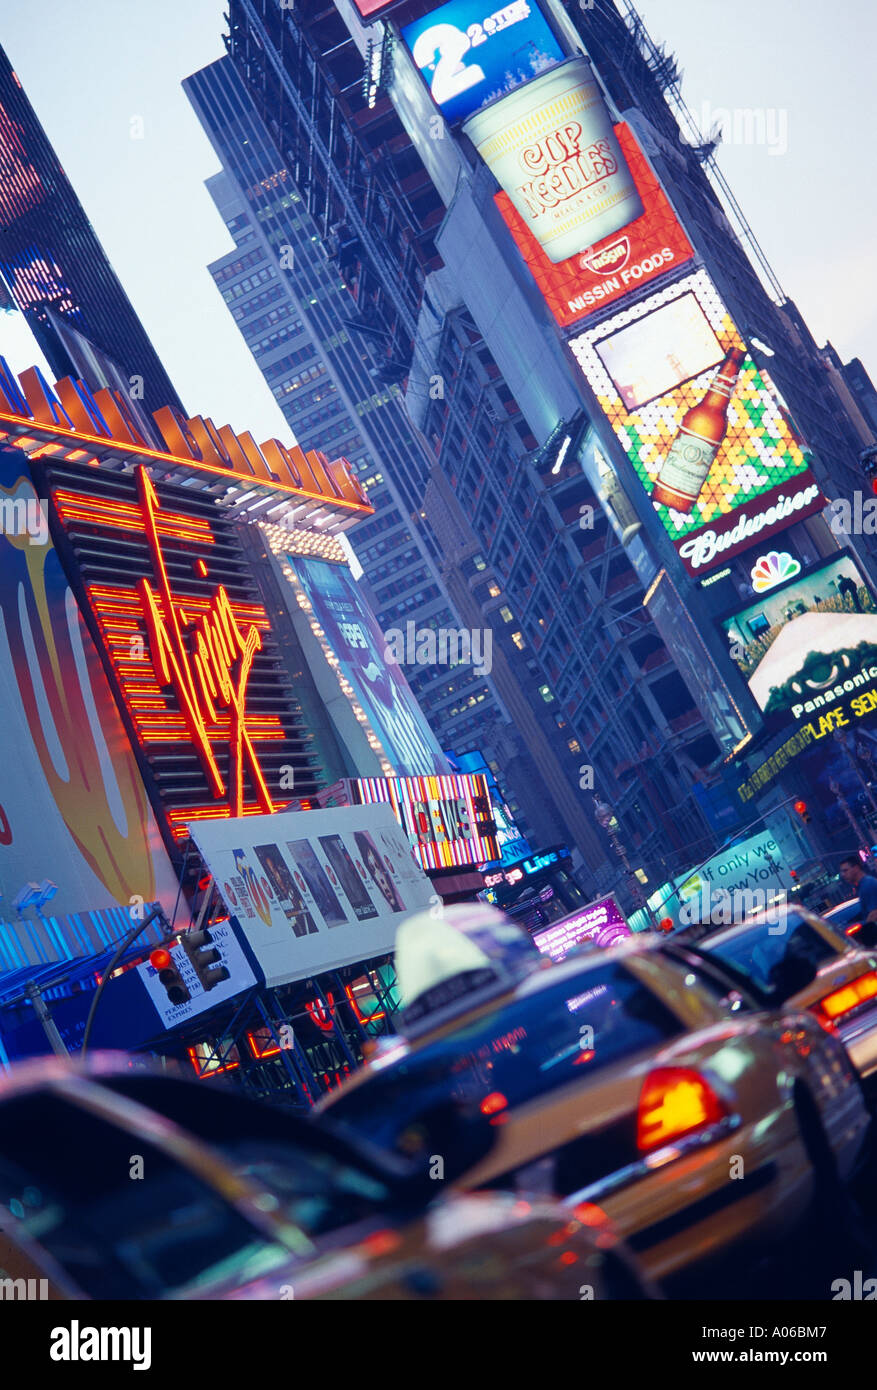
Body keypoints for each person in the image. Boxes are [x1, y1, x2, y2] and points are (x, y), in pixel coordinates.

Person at [839, 854, 877, 924]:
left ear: (856, 868)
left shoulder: (867, 885)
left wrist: (864, 929)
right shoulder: (862, 886)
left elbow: (874, 913)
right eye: (842, 872)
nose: (843, 875)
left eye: (845, 870)